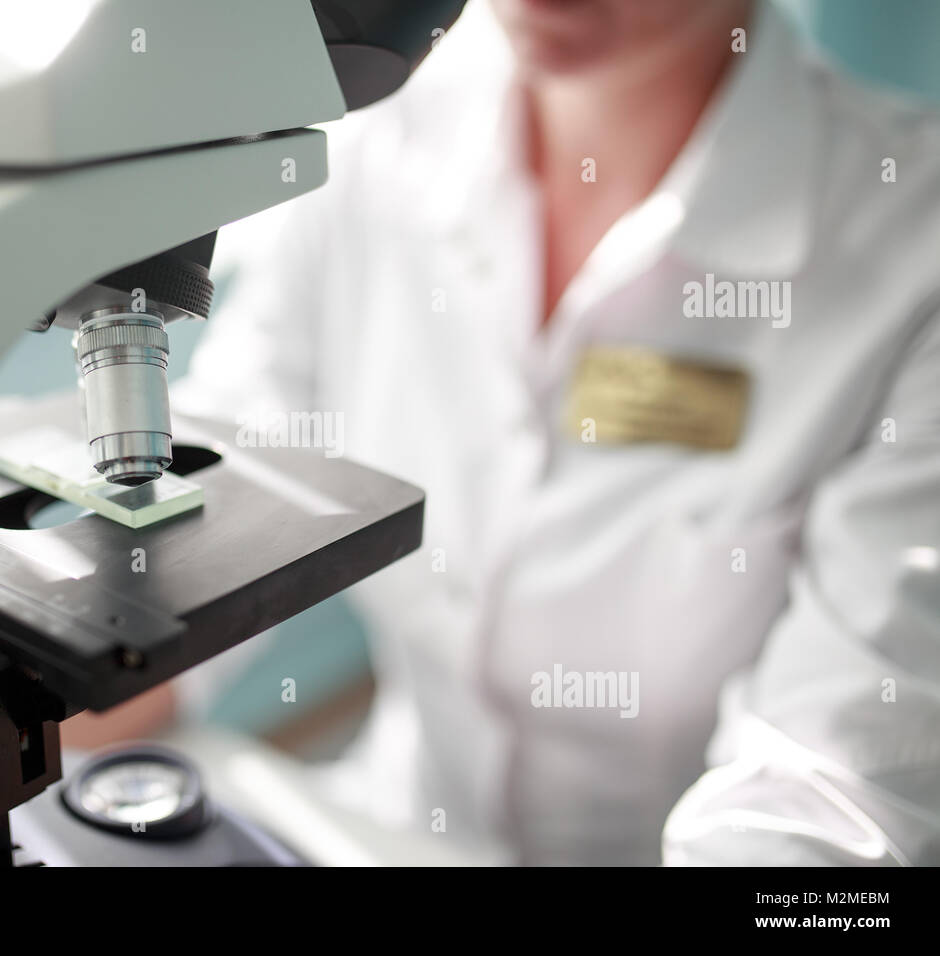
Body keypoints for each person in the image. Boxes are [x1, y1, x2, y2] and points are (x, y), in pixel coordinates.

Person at [65, 0, 940, 865]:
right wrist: (64, 692)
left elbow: (833, 804)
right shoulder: (383, 124)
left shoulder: (913, 248)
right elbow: (220, 499)